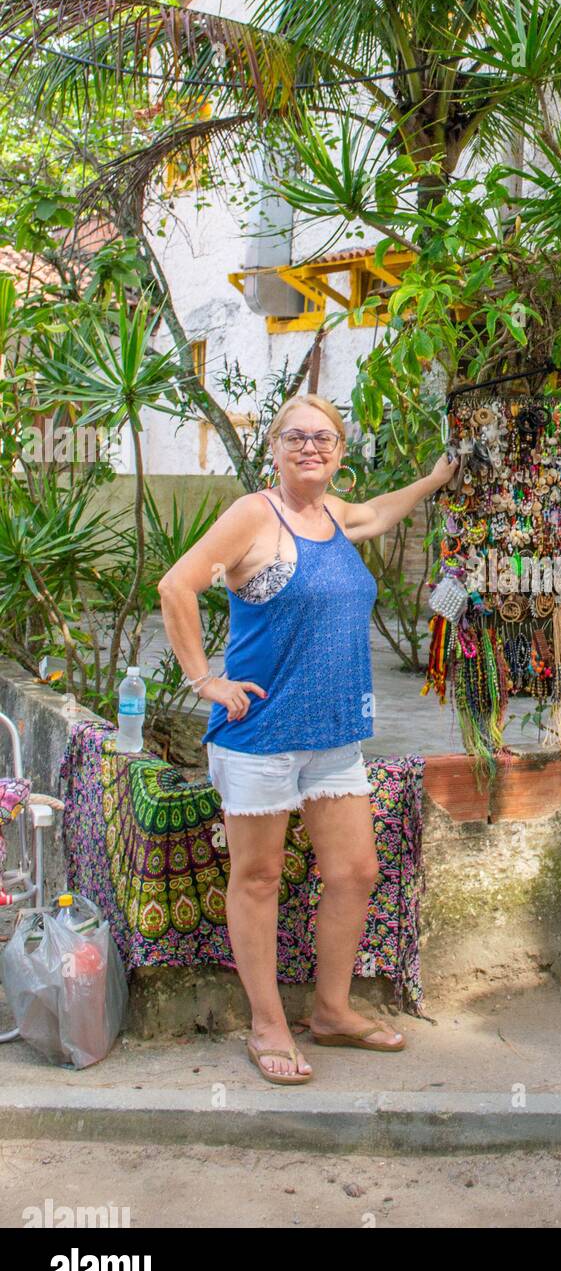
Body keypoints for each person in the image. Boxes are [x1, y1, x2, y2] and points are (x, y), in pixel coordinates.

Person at [158, 394, 455, 1084]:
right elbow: (178, 585)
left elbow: (379, 512)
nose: (311, 447)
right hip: (260, 735)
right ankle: (267, 1025)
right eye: (296, 437)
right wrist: (205, 679)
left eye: (324, 438)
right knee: (257, 878)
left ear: (340, 450)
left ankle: (330, 1010)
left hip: (334, 737)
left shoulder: (333, 514)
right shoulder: (252, 515)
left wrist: (436, 481)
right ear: (274, 448)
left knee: (355, 872)